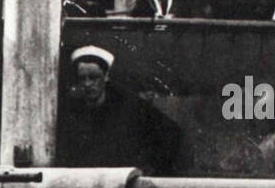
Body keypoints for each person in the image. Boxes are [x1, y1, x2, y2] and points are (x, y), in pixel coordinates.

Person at [57, 45, 182, 176]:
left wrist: (147, 169)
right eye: (83, 78)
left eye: (94, 77)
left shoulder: (130, 107)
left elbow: (172, 133)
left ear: (106, 77)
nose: (88, 84)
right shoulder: (73, 113)